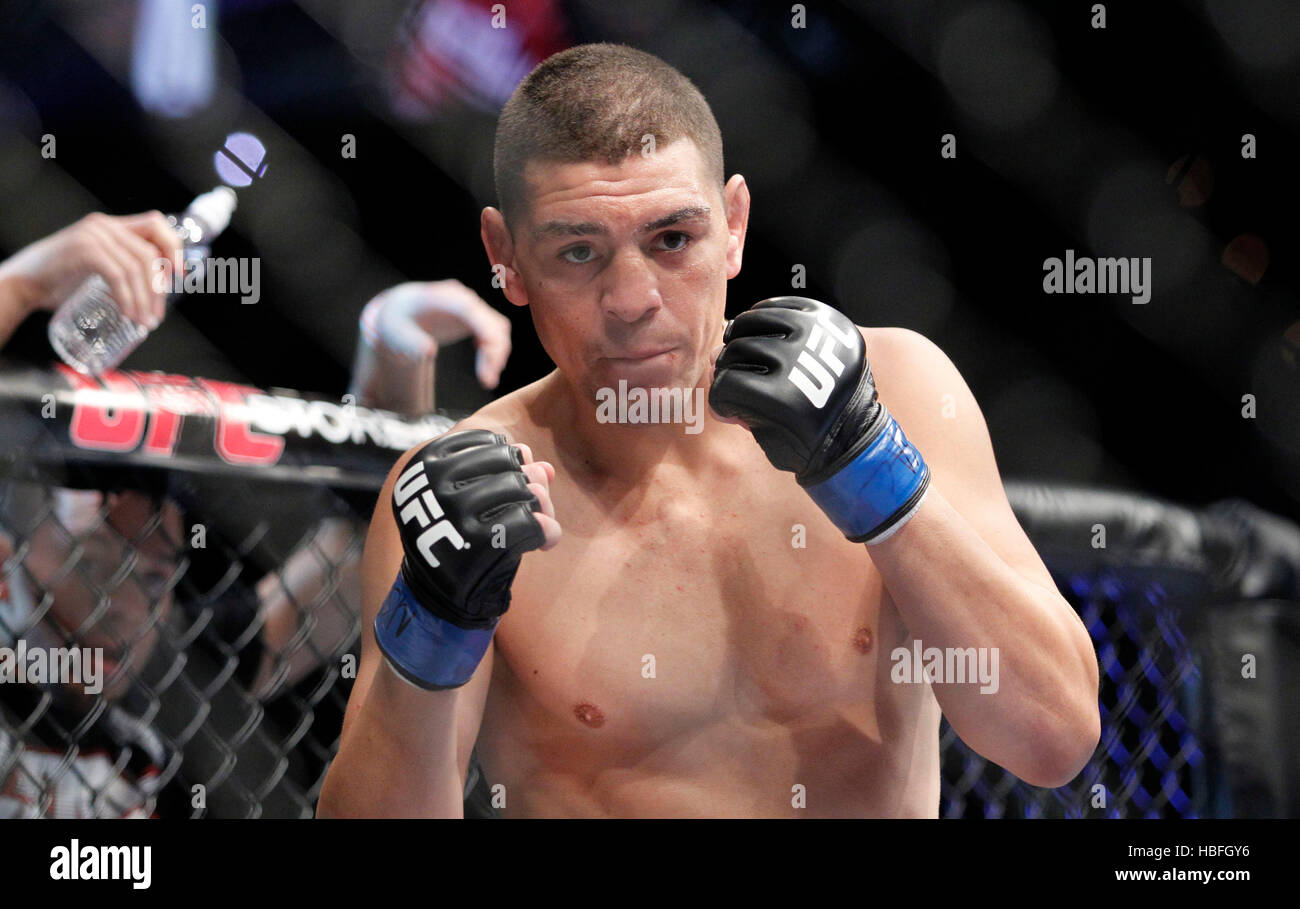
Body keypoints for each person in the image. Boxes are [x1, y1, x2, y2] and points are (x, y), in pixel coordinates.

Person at [319, 43, 1102, 819]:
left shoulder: (897, 384)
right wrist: (433, 630)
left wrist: (869, 464)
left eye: (671, 240)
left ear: (733, 225)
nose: (631, 300)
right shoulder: (460, 491)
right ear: (506, 257)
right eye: (578, 251)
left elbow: (1053, 738)